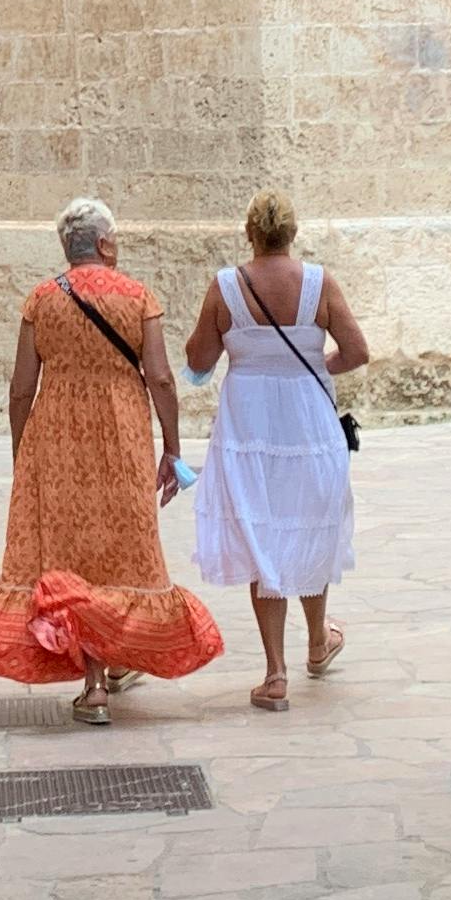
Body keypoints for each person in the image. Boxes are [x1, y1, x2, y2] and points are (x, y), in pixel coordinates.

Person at [0, 199, 224, 723]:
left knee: (69, 554)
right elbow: (159, 377)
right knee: (121, 547)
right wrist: (173, 447)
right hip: (122, 436)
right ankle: (106, 671)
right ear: (106, 244)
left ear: (67, 248)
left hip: (56, 439)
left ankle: (96, 682)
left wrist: (24, 452)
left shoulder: (42, 300)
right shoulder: (138, 297)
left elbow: (22, 389)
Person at [183, 191, 367, 710]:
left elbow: (199, 357)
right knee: (308, 523)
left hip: (250, 427)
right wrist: (310, 369)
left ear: (249, 233)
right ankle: (317, 640)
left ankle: (275, 673)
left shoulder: (225, 287)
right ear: (292, 232)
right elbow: (356, 351)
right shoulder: (319, 283)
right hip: (309, 422)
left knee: (264, 530)